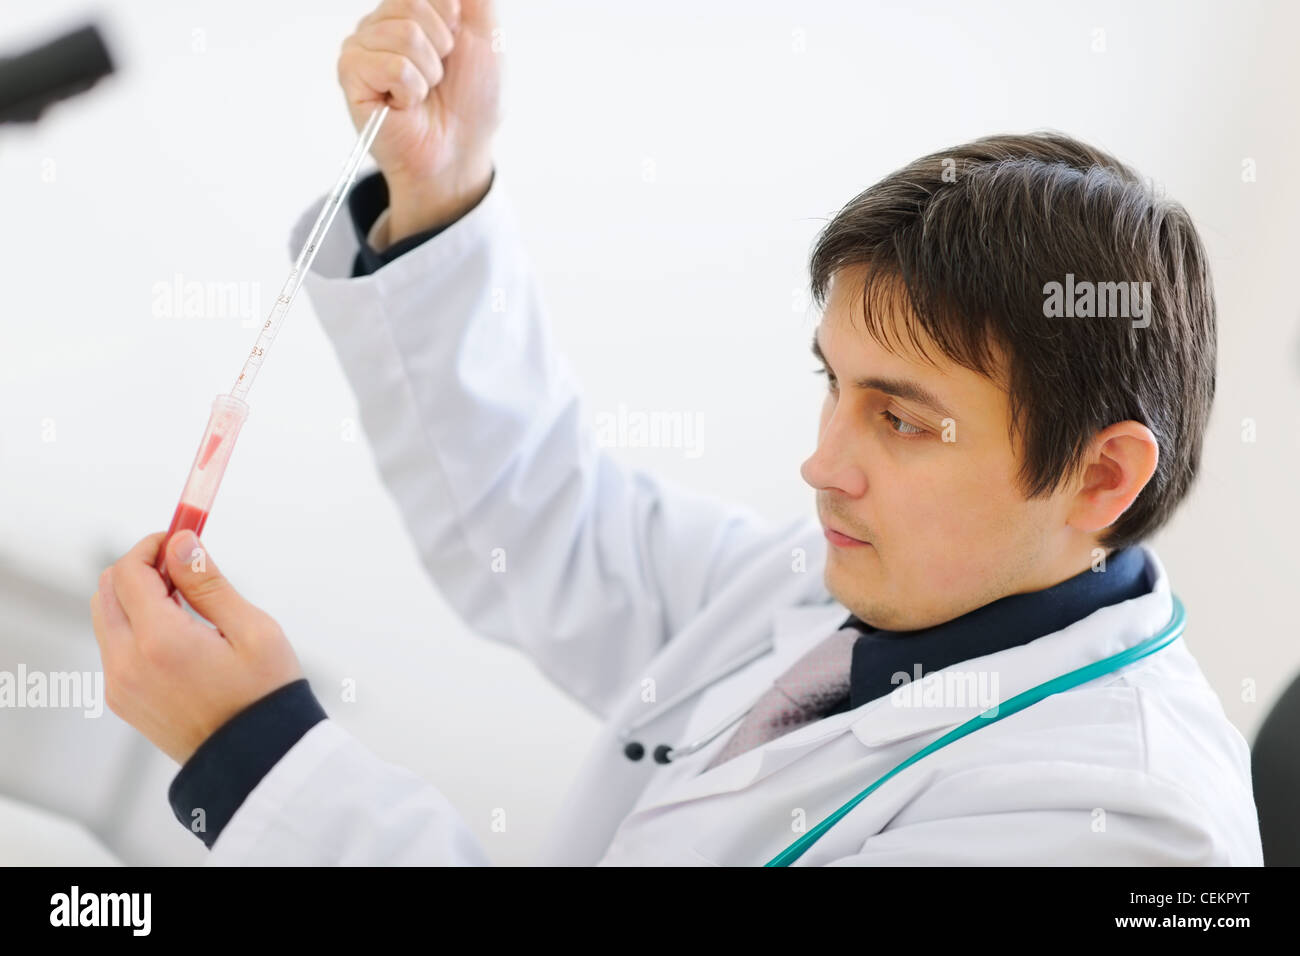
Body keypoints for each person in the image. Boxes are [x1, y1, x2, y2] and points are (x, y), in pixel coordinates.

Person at [90, 0, 1263, 865]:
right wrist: (438, 194)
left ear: (1101, 475)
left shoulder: (1128, 829)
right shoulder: (844, 588)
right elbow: (541, 528)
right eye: (834, 386)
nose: (821, 463)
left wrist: (256, 751)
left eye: (901, 418)